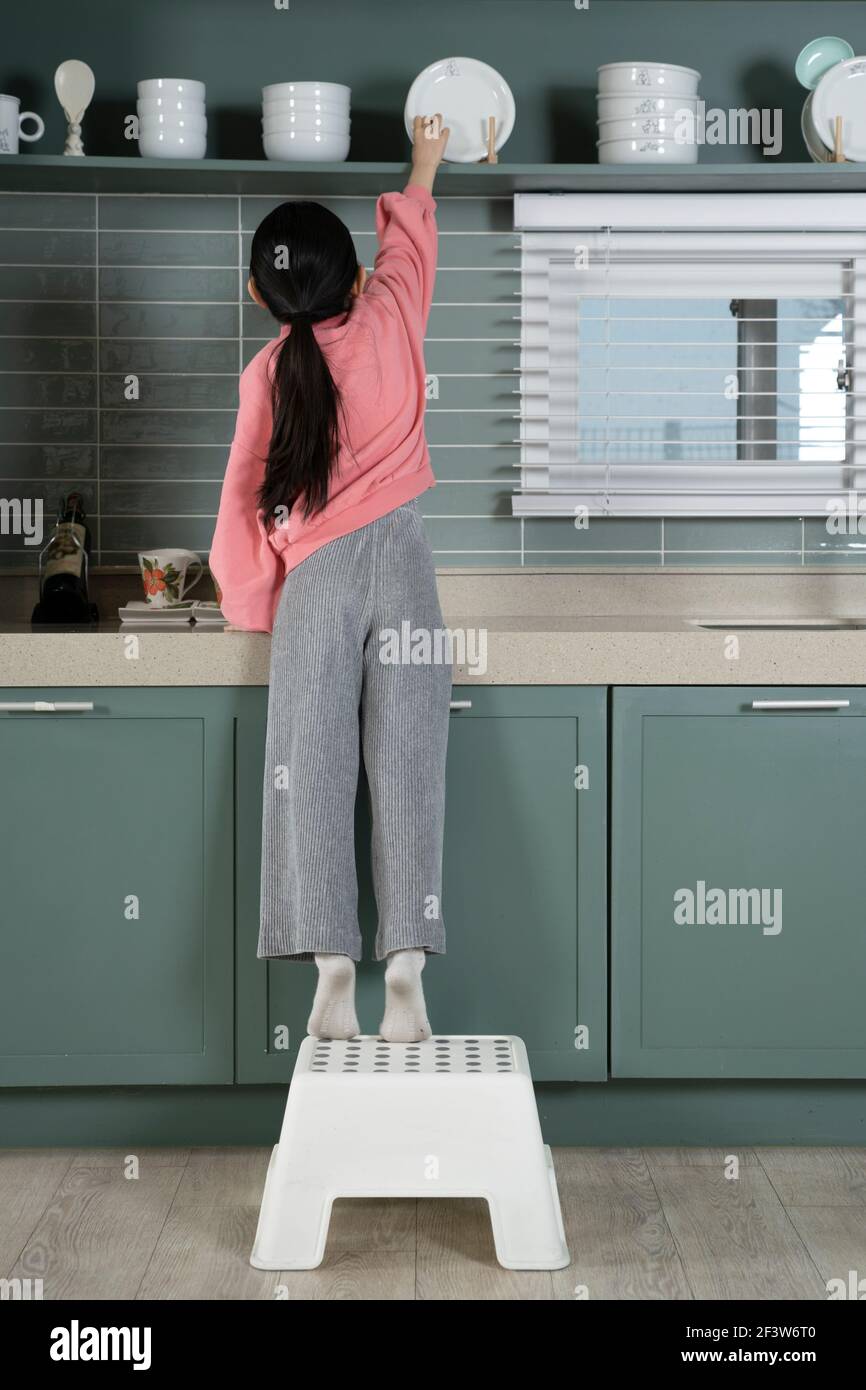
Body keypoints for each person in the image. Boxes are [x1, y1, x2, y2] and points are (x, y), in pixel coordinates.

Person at [210, 115, 451, 1043]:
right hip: (405, 565)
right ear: (355, 281)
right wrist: (424, 154)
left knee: (303, 769)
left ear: (257, 297)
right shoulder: (391, 313)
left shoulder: (270, 372)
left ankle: (331, 966)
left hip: (316, 580)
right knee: (409, 767)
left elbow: (241, 497)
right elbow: (413, 229)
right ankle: (409, 970)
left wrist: (248, 602)